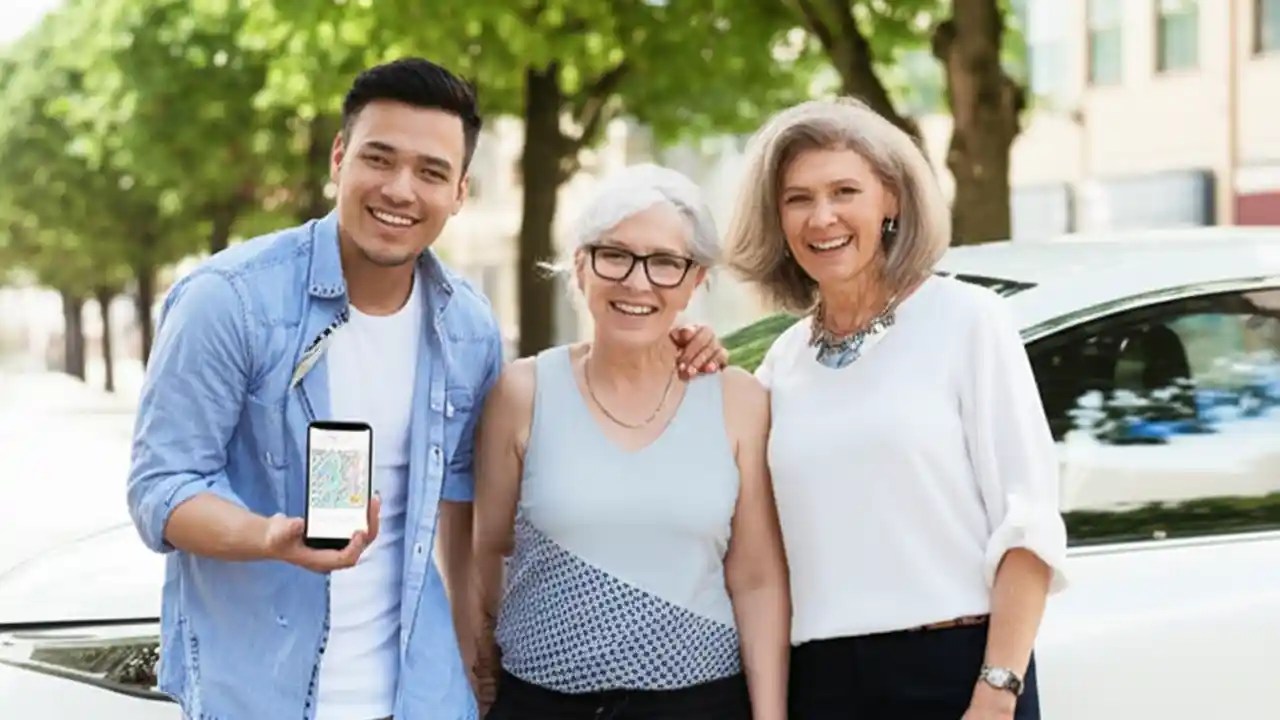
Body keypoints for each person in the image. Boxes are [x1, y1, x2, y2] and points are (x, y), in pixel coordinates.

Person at [126, 58, 727, 720]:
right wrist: (270, 537)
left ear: (460, 191)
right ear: (338, 158)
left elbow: (463, 520)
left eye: (432, 172)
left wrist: (672, 348)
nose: (401, 190)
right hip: (259, 697)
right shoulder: (228, 301)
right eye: (379, 159)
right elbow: (163, 488)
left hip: (424, 698)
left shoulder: (465, 325)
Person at [725, 97, 1069, 719]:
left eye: (844, 191)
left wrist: (996, 692)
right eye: (797, 198)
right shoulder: (782, 361)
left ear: (893, 200)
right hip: (821, 684)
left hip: (955, 672)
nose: (821, 217)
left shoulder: (968, 321)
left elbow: (1029, 521)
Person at [468, 164, 790, 720]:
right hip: (541, 704)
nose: (637, 282)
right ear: (580, 268)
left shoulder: (740, 401)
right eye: (614, 254)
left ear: (696, 281)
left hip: (699, 706)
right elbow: (485, 551)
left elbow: (757, 578)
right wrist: (490, 661)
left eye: (666, 262)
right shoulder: (523, 392)